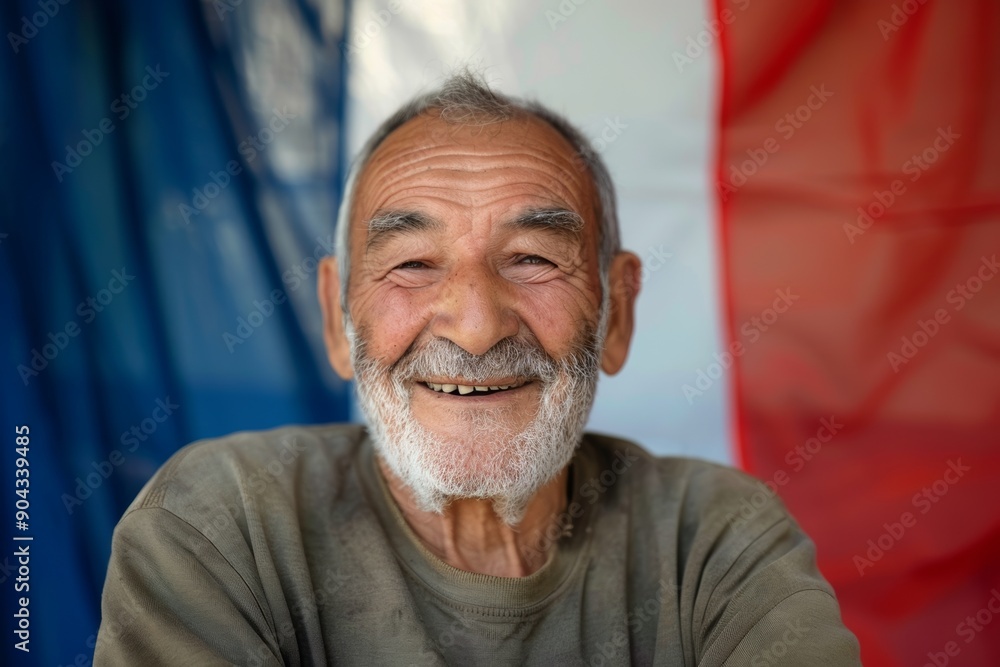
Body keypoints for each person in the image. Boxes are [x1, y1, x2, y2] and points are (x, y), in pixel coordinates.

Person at [95, 72, 861, 666]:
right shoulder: (220, 524)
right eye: (413, 262)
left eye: (533, 259)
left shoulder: (715, 538)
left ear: (617, 313)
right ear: (337, 316)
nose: (475, 322)